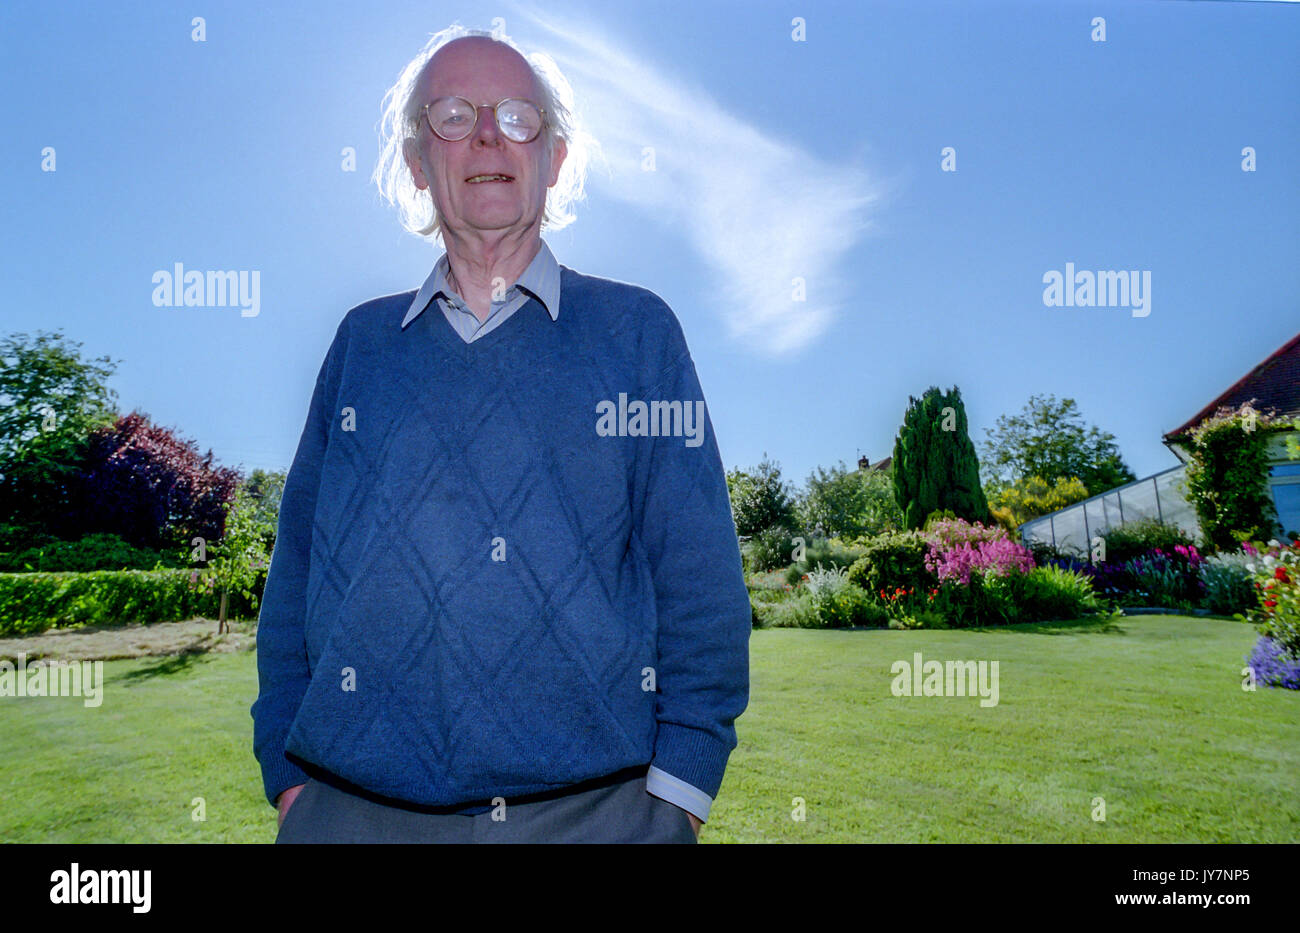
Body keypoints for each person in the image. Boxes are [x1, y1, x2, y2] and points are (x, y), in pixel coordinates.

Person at [251, 25, 750, 843]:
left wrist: (681, 789)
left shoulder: (638, 332)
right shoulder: (360, 345)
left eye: (518, 117)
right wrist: (290, 777)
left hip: (602, 817)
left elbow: (700, 579)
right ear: (417, 162)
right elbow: (295, 569)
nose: (488, 134)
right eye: (452, 115)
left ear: (553, 159)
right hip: (351, 814)